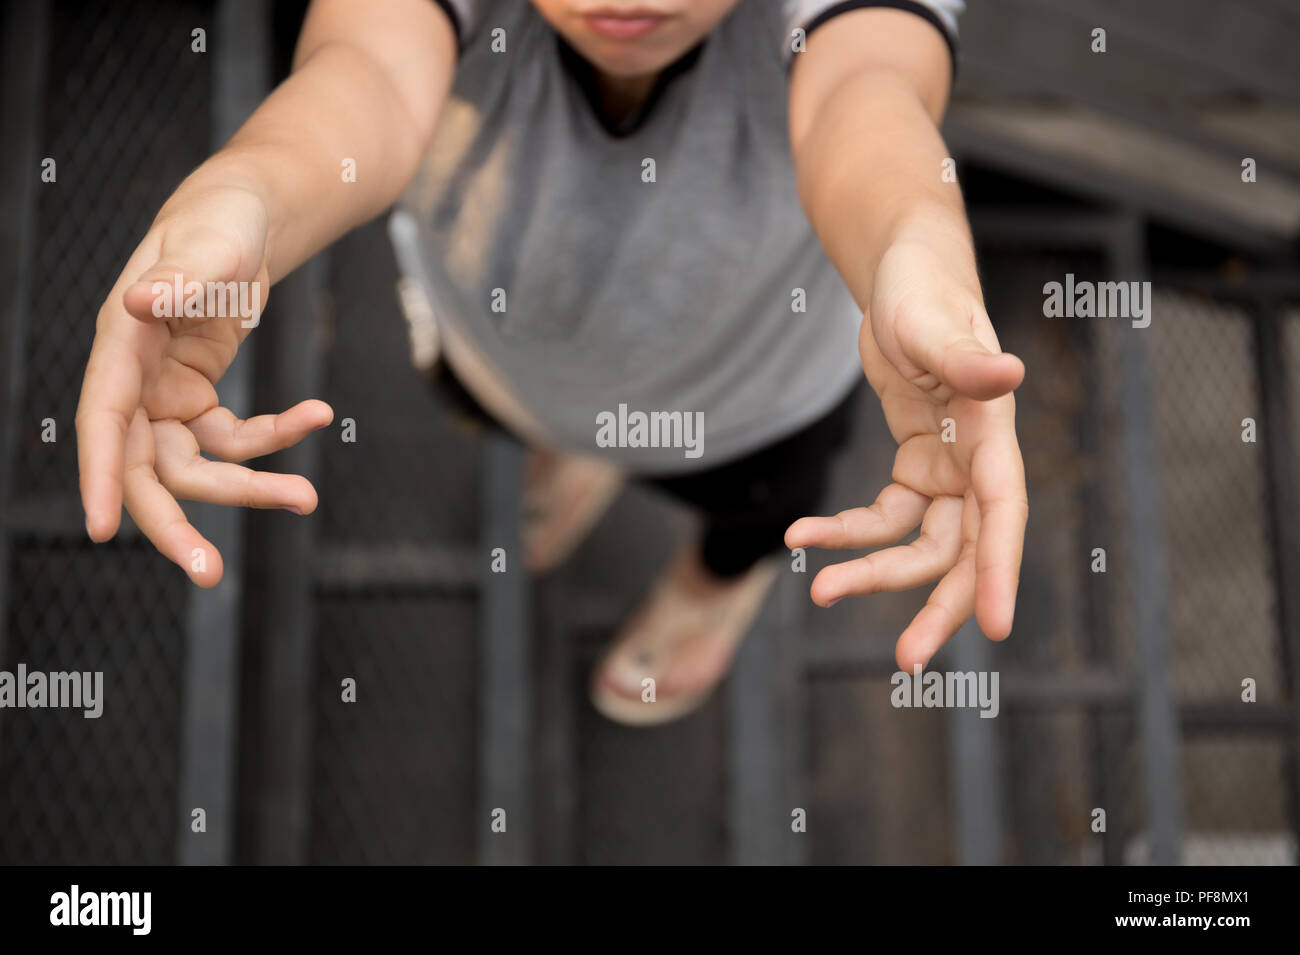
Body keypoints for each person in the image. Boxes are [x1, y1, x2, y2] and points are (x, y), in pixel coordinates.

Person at [76, 0, 1027, 726]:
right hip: (510, 361)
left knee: (754, 514)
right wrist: (244, 197)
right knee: (523, 423)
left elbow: (863, 106)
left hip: (753, 399)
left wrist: (918, 241)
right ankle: (589, 456)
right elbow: (364, 73)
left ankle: (708, 592)